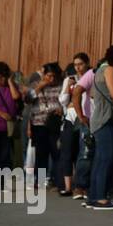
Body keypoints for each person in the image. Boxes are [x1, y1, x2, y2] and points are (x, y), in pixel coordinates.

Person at [85, 45, 113, 210]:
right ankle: (101, 198)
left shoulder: (99, 70)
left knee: (99, 159)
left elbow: (92, 94)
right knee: (108, 158)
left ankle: (93, 196)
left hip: (98, 120)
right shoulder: (110, 69)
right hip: (106, 120)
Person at [24, 62, 64, 190]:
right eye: (48, 76)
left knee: (56, 152)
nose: (51, 79)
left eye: (54, 76)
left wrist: (61, 111)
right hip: (38, 124)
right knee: (41, 154)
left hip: (54, 123)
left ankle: (57, 181)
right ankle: (39, 180)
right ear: (44, 75)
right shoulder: (36, 85)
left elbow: (65, 102)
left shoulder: (61, 86)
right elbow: (27, 100)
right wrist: (39, 87)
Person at [55, 54, 90, 197]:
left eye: (81, 64)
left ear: (87, 63)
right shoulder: (69, 79)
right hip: (70, 118)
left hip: (85, 117)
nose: (78, 67)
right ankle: (68, 186)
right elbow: (63, 101)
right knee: (67, 152)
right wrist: (67, 88)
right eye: (76, 64)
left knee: (84, 152)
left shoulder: (90, 77)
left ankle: (82, 186)